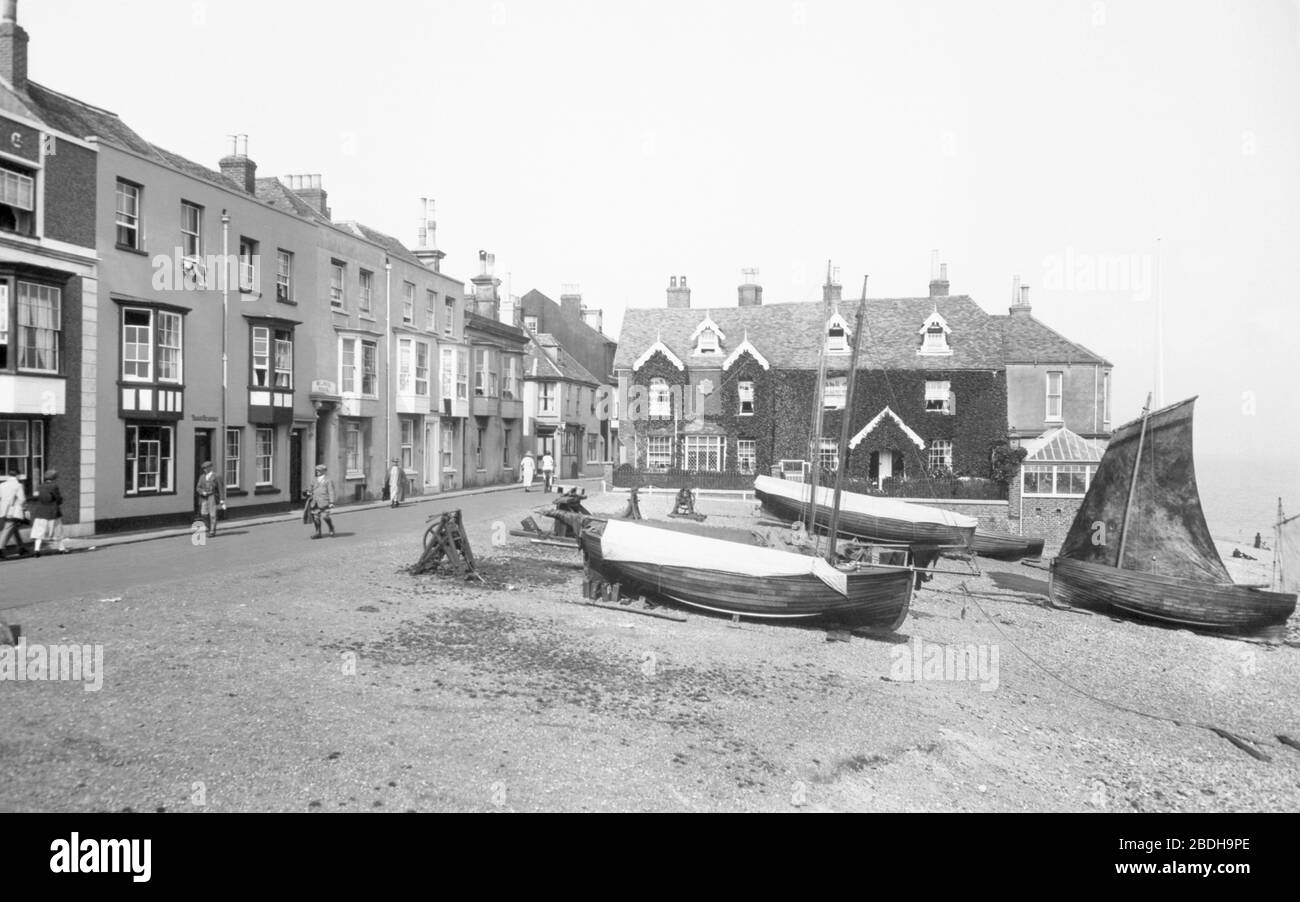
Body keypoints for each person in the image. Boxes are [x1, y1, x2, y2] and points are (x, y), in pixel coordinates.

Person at [29, 469, 68, 556]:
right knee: (58, 530)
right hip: (52, 511)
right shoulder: (54, 486)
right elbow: (58, 498)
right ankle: (62, 549)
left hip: (41, 511)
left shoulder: (40, 486)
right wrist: (60, 501)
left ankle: (36, 550)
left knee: (39, 531)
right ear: (54, 478)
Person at [0, 469, 27, 559]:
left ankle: (21, 547)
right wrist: (23, 508)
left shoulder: (2, 485)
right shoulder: (18, 485)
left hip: (3, 510)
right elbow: (22, 499)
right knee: (8, 528)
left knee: (14, 528)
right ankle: (0, 548)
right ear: (17, 476)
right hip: (13, 511)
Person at [195, 460, 225, 537]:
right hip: (204, 497)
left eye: (207, 467)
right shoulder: (202, 477)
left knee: (213, 514)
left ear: (211, 467)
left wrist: (222, 500)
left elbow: (220, 488)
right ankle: (209, 528)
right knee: (203, 513)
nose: (205, 469)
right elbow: (198, 488)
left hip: (213, 497)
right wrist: (202, 492)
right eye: (204, 468)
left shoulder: (217, 476)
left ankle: (212, 531)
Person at [306, 464, 336, 539]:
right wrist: (309, 492)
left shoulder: (328, 480)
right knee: (316, 517)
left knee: (325, 517)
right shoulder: (314, 479)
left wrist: (331, 502)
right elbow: (311, 489)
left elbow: (331, 491)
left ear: (323, 471)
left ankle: (331, 527)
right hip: (315, 501)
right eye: (316, 470)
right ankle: (318, 533)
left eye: (319, 470)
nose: (317, 471)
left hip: (324, 501)